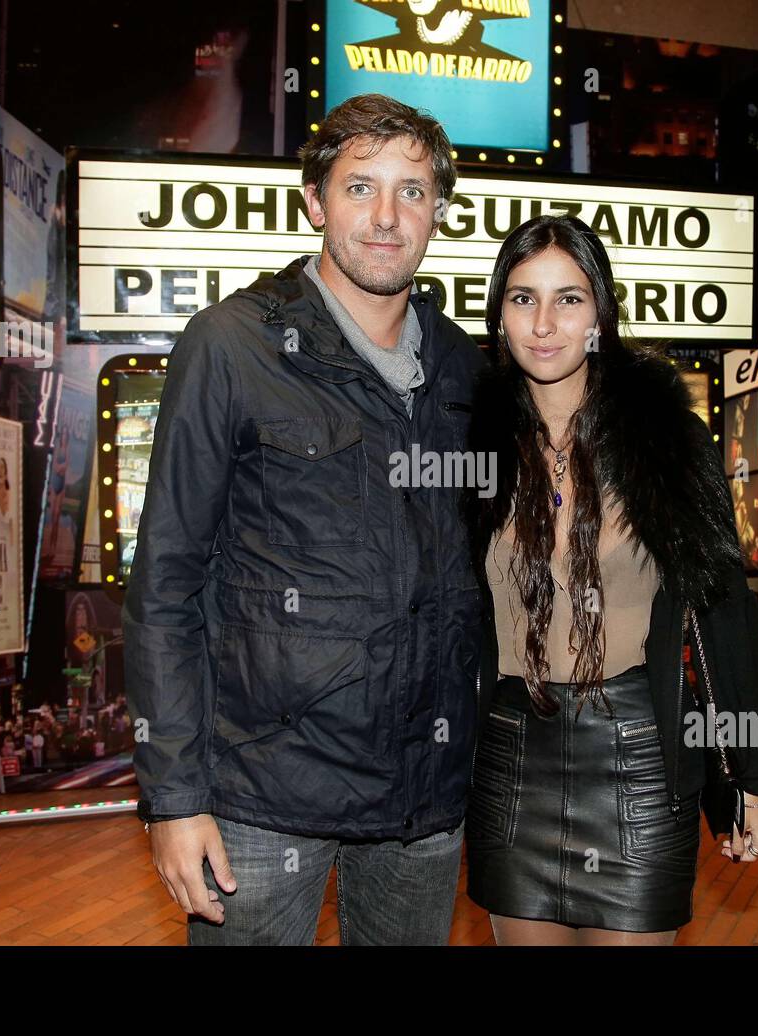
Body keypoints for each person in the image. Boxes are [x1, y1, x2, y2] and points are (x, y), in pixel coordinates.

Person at [122, 93, 488, 946]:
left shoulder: (464, 368)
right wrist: (174, 799)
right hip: (262, 796)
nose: (387, 217)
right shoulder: (233, 344)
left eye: (414, 191)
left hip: (424, 795)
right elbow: (167, 582)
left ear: (438, 211)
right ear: (315, 202)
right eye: (361, 188)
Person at [462, 215, 758, 946]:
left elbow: (725, 609)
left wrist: (752, 778)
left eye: (568, 299)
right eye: (522, 298)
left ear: (601, 312)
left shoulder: (666, 439)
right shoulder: (473, 444)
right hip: (511, 757)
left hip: (639, 753)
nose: (544, 323)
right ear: (499, 313)